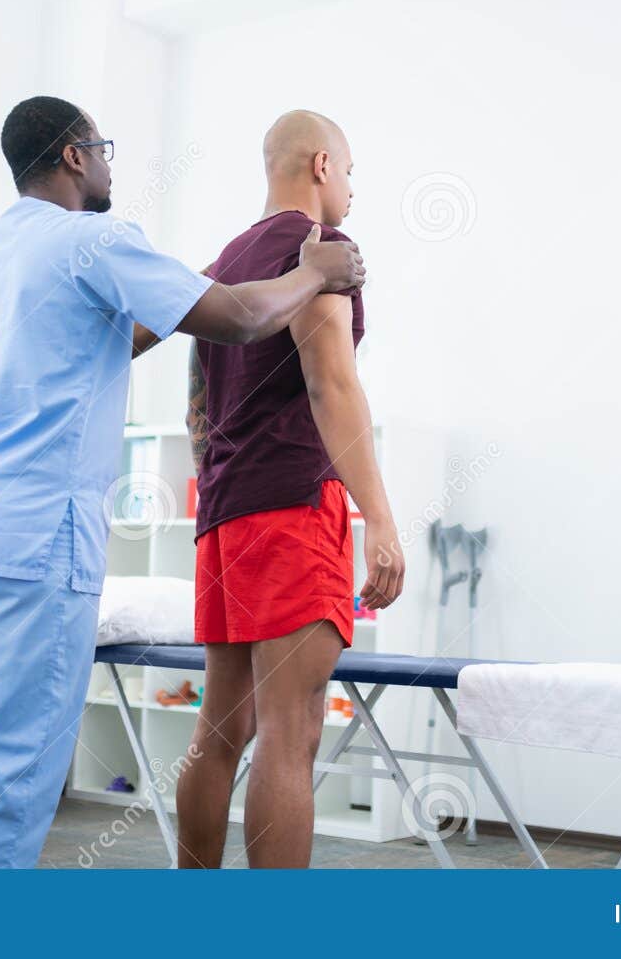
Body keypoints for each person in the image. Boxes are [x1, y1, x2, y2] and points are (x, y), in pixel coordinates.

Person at [0, 96, 366, 869]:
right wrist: (313, 272)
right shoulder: (96, 238)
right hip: (43, 530)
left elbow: (121, 335)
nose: (108, 165)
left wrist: (189, 283)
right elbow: (246, 325)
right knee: (23, 768)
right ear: (73, 155)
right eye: (103, 149)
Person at [176, 109, 405, 869]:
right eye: (350, 170)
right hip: (290, 508)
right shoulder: (322, 251)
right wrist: (381, 517)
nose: (352, 189)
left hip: (223, 515)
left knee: (219, 729)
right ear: (319, 165)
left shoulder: (226, 258)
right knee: (290, 727)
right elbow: (332, 382)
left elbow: (196, 410)